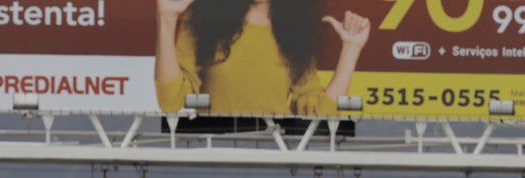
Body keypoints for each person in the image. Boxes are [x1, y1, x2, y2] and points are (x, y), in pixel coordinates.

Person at [155, 0, 372, 117]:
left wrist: (351, 49)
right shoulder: (204, 18)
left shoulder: (295, 31)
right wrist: (166, 19)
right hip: (215, 158)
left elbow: (320, 113)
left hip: (275, 161)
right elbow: (171, 101)